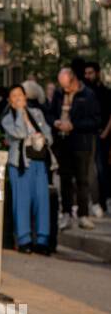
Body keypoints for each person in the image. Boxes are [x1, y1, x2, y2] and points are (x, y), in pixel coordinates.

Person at [47, 66, 102, 230]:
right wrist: (55, 122)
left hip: (81, 142)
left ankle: (83, 214)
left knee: (82, 180)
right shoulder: (58, 94)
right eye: (62, 86)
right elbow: (49, 114)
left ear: (74, 80)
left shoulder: (88, 95)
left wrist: (74, 125)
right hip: (63, 142)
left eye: (67, 85)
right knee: (65, 179)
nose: (65, 89)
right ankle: (66, 213)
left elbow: (96, 121)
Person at [1, 84, 53, 254]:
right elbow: (20, 133)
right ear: (10, 101)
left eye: (20, 95)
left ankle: (43, 240)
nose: (18, 98)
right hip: (20, 163)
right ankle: (24, 240)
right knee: (21, 202)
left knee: (42, 200)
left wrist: (42, 138)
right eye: (14, 96)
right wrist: (20, 114)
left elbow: (49, 135)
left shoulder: (37, 113)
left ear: (25, 97)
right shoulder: (7, 118)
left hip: (39, 161)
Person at [83, 60, 111, 215]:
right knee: (90, 170)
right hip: (89, 135)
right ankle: (97, 201)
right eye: (86, 73)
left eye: (90, 73)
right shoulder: (85, 92)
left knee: (102, 169)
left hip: (102, 135)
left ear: (97, 73)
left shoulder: (105, 92)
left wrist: (105, 133)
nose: (88, 76)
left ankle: (105, 200)